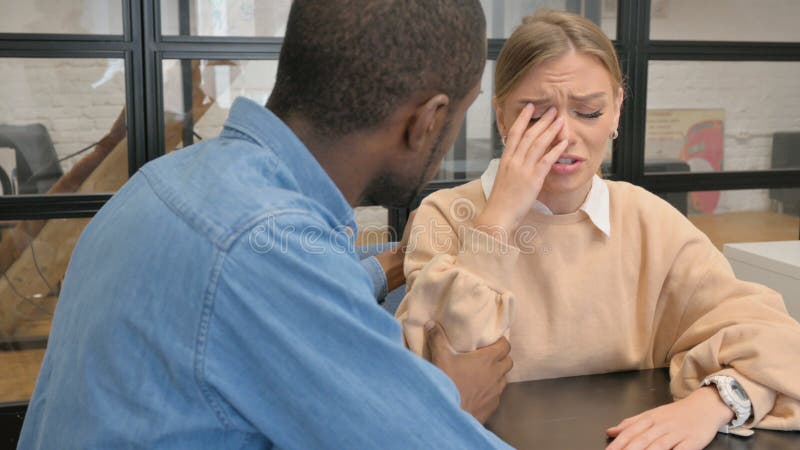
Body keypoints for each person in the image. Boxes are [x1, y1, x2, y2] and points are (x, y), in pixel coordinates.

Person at [18, 1, 514, 448]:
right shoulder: (264, 248)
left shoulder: (168, 180)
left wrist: (386, 265)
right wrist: (452, 403)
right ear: (428, 120)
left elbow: (250, 301)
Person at [396, 9, 800, 450]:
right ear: (501, 118)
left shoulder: (648, 220)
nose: (564, 137)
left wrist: (709, 405)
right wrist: (498, 220)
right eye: (536, 117)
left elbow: (776, 341)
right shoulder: (443, 216)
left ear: (616, 112)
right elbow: (430, 372)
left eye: (589, 112)